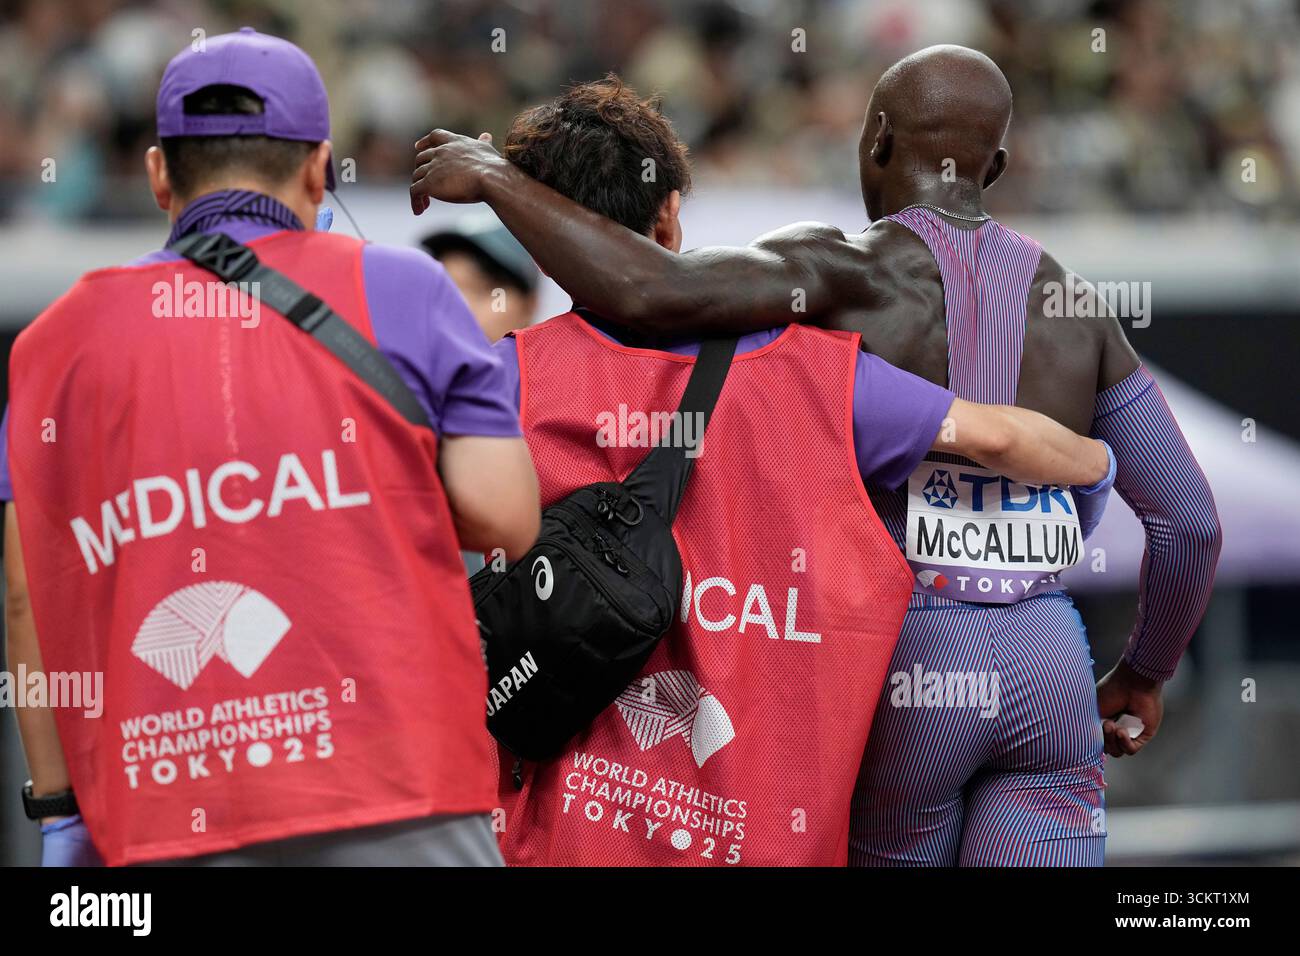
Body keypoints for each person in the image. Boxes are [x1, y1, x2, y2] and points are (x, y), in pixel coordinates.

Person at [410, 47, 1222, 865]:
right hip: (1050, 656)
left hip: (903, 668)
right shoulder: (1078, 308)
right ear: (998, 164)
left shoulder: (833, 270)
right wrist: (1143, 670)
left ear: (873, 141)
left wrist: (497, 180)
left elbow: (651, 291)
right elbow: (1189, 523)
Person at [3, 27, 538, 867]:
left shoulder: (51, 344)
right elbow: (505, 518)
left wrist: (60, 810)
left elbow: (28, 597)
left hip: (162, 809)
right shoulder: (405, 289)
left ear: (156, 175)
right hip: (400, 789)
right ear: (321, 168)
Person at [421, 211, 540, 342]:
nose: (461, 307)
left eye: (481, 290)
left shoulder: (560, 359)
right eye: (444, 291)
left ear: (528, 306)